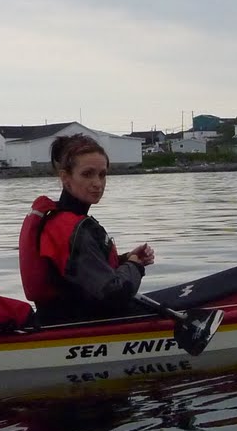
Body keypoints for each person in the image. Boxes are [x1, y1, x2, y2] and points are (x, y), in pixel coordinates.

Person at [19, 133, 155, 324]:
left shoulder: (59, 220)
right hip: (80, 323)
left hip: (60, 318)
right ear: (65, 178)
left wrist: (126, 259)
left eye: (102, 174)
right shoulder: (75, 230)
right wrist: (134, 266)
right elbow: (116, 295)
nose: (97, 183)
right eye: (87, 174)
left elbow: (79, 271)